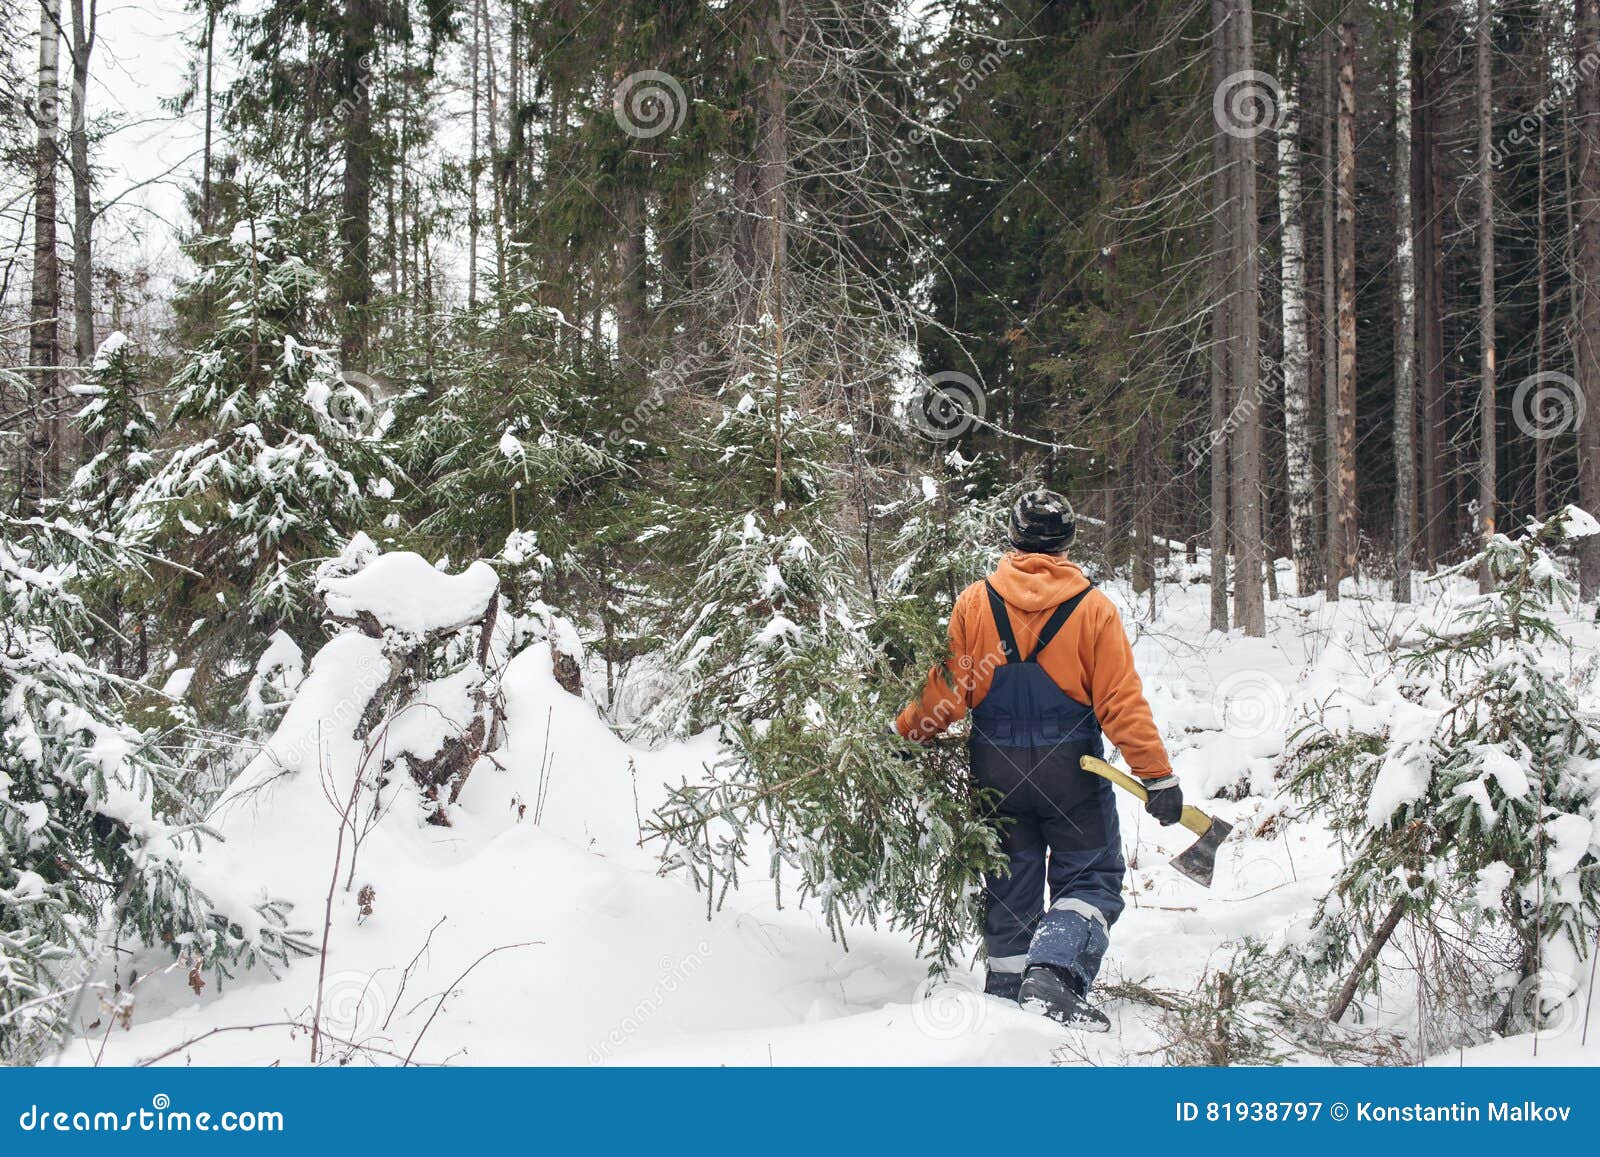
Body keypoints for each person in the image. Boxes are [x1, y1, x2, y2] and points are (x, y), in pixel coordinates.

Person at [893, 489, 1182, 1030]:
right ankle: (1052, 974)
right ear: (1068, 543)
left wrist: (907, 733)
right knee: (1092, 877)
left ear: (1013, 537)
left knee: (1009, 879)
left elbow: (947, 692)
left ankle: (1005, 999)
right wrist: (1157, 776)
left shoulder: (977, 603)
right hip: (1070, 770)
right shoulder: (1093, 609)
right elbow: (1120, 702)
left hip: (994, 770)